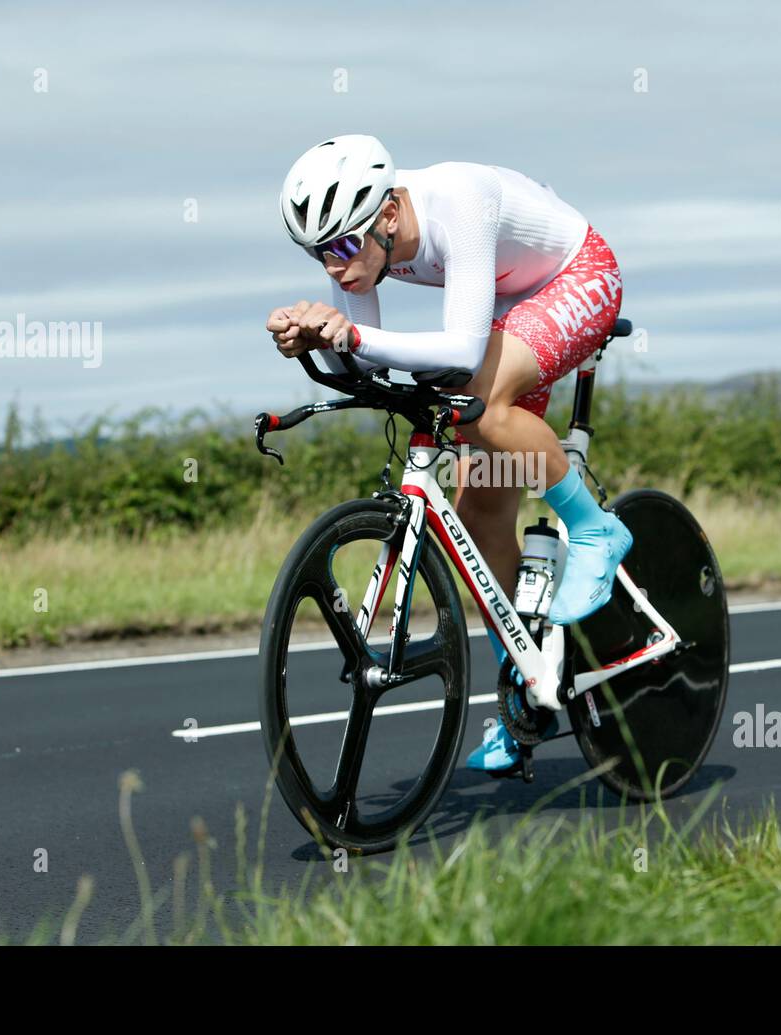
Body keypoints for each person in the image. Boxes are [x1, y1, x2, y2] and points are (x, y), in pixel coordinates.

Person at [267, 134, 630, 775]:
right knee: (480, 515)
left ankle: (595, 528)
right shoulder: (365, 245)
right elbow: (365, 361)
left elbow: (461, 355)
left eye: (344, 246)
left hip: (578, 277)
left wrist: (352, 334)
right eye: (317, 253)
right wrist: (316, 342)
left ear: (386, 213)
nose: (334, 266)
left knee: (479, 401)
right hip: (511, 310)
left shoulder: (458, 199)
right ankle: (526, 687)